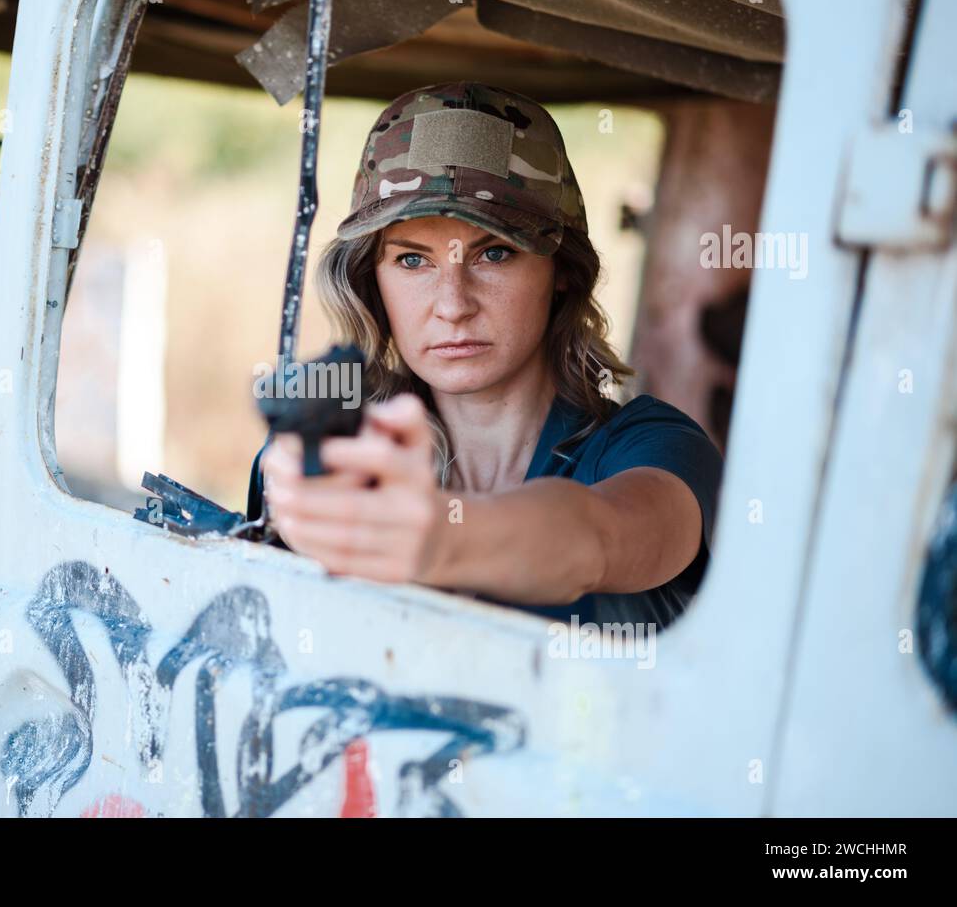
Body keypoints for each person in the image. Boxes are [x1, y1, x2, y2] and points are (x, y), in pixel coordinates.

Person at [250, 81, 723, 630]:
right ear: (370, 282)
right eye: (411, 261)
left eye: (494, 253)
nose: (453, 305)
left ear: (563, 272)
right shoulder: (343, 450)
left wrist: (433, 539)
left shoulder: (656, 447)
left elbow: (596, 538)